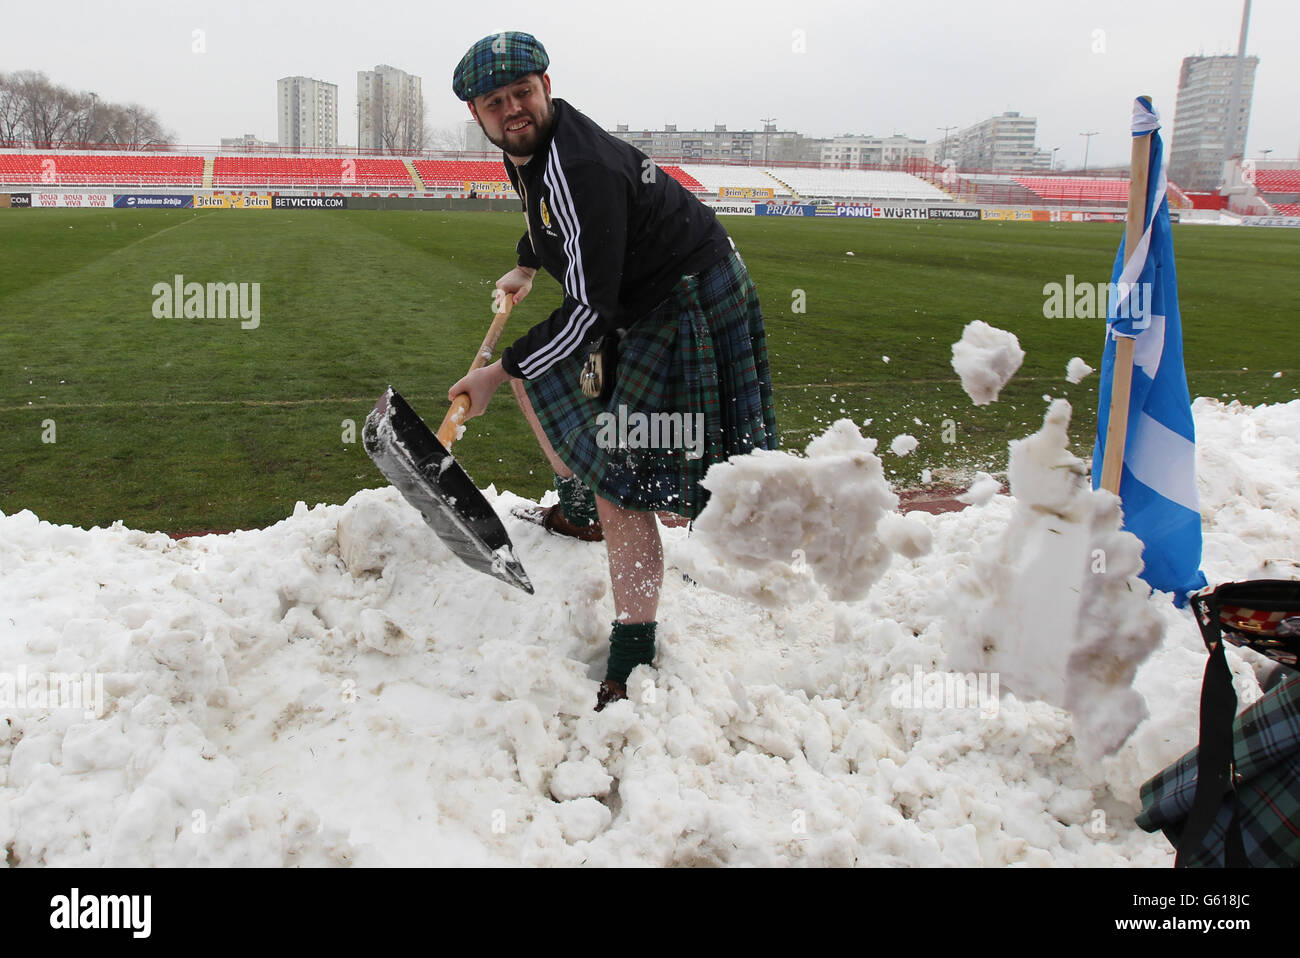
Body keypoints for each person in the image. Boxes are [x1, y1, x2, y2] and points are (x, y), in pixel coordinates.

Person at [448, 32, 778, 710]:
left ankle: (632, 654)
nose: (513, 108)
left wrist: (491, 373)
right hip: (641, 292)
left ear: (546, 84)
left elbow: (588, 313)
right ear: (477, 116)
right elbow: (549, 218)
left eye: (521, 93)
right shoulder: (531, 149)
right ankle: (578, 513)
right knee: (545, 385)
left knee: (620, 475)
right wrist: (528, 261)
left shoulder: (579, 163)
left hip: (685, 297)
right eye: (495, 102)